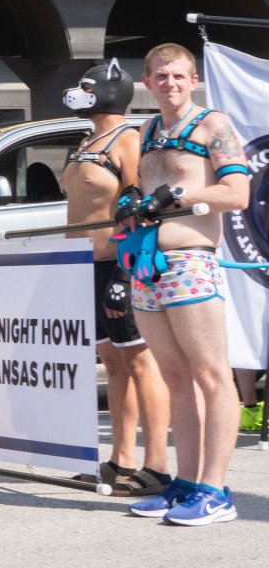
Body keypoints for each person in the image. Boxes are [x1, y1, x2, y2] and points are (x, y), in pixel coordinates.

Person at [120, 43, 252, 526]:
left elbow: (237, 193)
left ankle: (216, 492)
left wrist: (176, 195)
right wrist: (132, 204)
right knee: (175, 378)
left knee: (212, 376)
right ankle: (188, 483)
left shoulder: (213, 126)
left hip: (191, 264)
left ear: (192, 79)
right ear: (148, 81)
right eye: (160, 76)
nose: (169, 83)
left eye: (177, 75)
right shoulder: (146, 130)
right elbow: (140, 191)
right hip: (147, 265)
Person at [55, 60, 170, 495]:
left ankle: (156, 466)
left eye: (86, 86)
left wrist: (125, 269)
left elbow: (141, 207)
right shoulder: (87, 139)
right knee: (115, 363)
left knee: (141, 361)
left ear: (109, 90)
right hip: (81, 267)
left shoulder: (127, 139)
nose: (78, 92)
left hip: (114, 265)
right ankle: (120, 460)